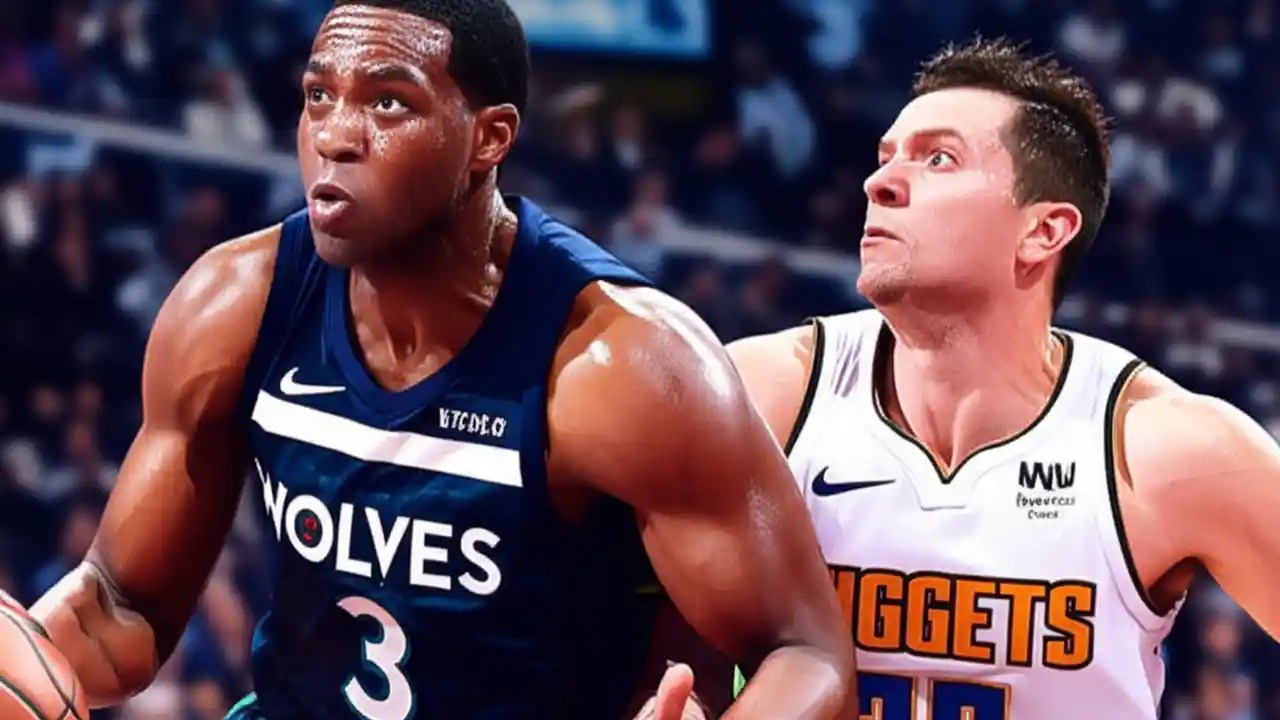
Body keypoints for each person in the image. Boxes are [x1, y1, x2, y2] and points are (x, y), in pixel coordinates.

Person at [24, 1, 856, 717]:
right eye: (319, 96)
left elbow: (807, 654)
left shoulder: (620, 363)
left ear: (488, 139)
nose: (336, 135)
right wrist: (28, 658)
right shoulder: (233, 303)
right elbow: (119, 606)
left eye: (388, 104)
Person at [652, 38, 1280, 719]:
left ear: (1043, 230)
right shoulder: (762, 394)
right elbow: (644, 637)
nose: (880, 182)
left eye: (938, 158)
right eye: (886, 156)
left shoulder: (1164, 450)